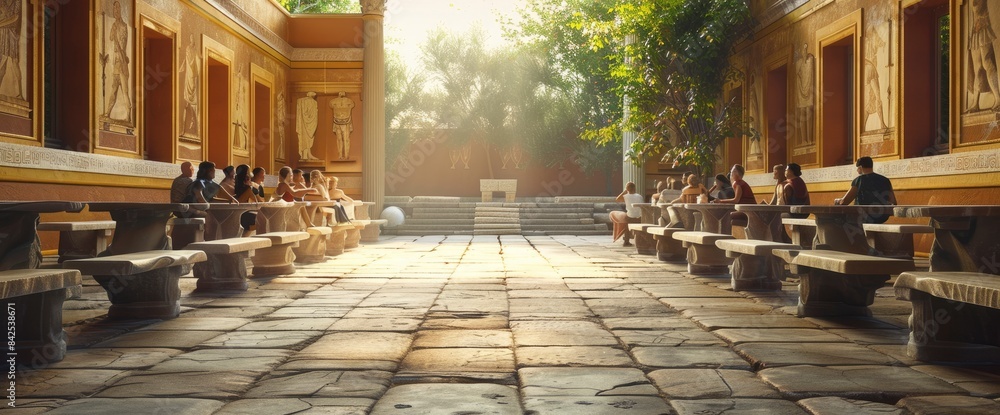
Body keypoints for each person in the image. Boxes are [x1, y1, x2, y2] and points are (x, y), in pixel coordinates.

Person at [834, 156, 896, 224]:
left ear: (860, 167)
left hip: (862, 218)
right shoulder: (885, 180)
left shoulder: (859, 180)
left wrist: (837, 201)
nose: (857, 170)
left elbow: (844, 202)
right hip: (881, 218)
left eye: (857, 168)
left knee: (837, 220)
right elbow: (893, 202)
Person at [610, 182, 644, 247]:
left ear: (627, 189)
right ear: (634, 188)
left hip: (630, 217)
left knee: (625, 222)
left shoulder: (626, 196)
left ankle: (626, 241)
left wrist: (625, 191)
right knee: (627, 219)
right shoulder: (639, 196)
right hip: (640, 217)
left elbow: (617, 199)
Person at [232, 164, 260, 236]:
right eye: (249, 172)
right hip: (243, 216)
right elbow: (259, 203)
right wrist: (255, 189)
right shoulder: (248, 189)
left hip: (235, 214)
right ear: (246, 175)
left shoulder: (235, 186)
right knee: (262, 219)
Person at [330, 91, 355, 160]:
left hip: (346, 121)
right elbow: (331, 104)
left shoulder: (348, 101)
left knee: (346, 139)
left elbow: (352, 104)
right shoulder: (334, 101)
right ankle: (340, 155)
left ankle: (346, 155)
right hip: (337, 120)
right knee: (339, 139)